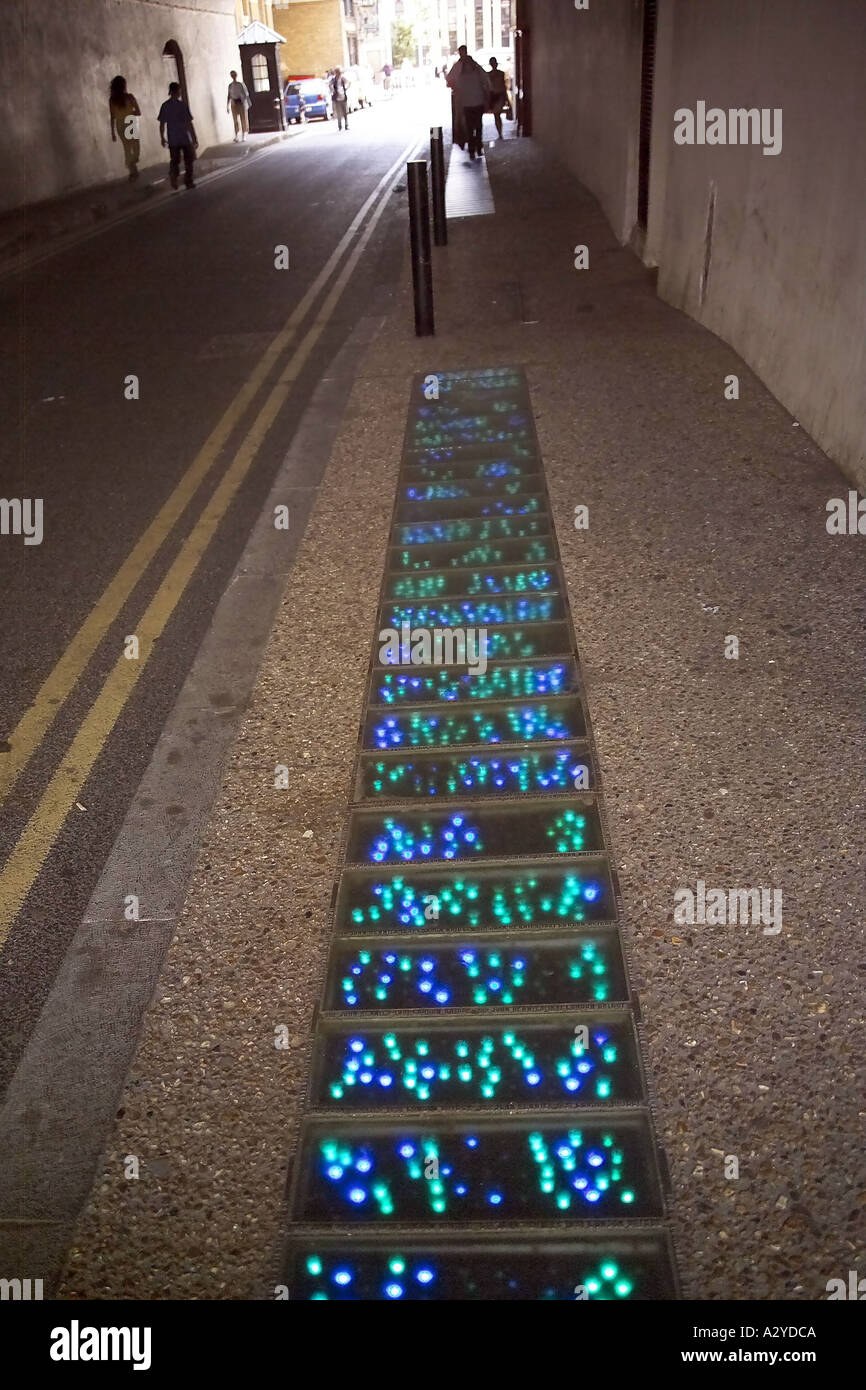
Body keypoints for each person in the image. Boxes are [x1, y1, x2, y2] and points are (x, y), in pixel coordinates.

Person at [446, 45, 489, 161]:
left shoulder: (460, 68)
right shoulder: (472, 66)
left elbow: (449, 81)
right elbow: (486, 80)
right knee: (476, 126)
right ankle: (477, 147)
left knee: (471, 127)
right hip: (473, 102)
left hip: (468, 102)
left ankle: (472, 149)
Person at [157, 82, 198, 190]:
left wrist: (162, 137)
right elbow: (189, 123)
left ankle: (174, 176)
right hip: (184, 137)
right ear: (178, 92)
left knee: (175, 160)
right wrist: (194, 138)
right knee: (189, 160)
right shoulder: (182, 105)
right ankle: (188, 181)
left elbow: (162, 124)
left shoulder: (165, 106)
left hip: (173, 138)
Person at [109, 75, 142, 180]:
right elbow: (138, 112)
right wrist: (130, 112)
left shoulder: (112, 100)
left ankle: (132, 170)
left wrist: (113, 132)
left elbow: (112, 116)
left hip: (120, 125)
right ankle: (133, 166)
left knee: (127, 148)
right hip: (130, 122)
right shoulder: (129, 97)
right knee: (135, 148)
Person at [226, 70, 251, 142]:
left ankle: (244, 134)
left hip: (241, 103)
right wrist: (227, 105)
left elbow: (246, 94)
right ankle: (237, 135)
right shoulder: (230, 85)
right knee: (235, 120)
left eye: (234, 75)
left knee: (243, 119)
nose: (233, 76)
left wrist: (247, 103)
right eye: (232, 75)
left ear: (236, 76)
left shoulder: (241, 84)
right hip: (234, 103)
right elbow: (229, 95)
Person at [487, 57, 508, 139]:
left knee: (497, 115)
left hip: (497, 96)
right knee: (497, 115)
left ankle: (499, 132)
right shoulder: (500, 74)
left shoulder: (490, 75)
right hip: (497, 95)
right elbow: (503, 86)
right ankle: (499, 132)